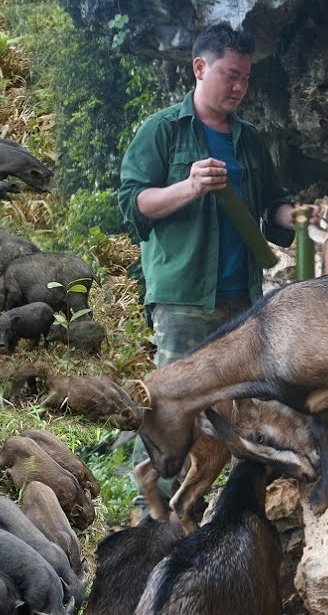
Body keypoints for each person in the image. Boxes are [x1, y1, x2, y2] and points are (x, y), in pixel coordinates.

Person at [118, 22, 301, 368]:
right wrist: (191, 187)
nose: (239, 87)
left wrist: (297, 216)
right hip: (183, 300)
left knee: (241, 410)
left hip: (243, 301)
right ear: (200, 68)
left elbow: (273, 202)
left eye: (246, 78)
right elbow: (133, 204)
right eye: (231, 75)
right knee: (177, 409)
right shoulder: (162, 130)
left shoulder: (249, 139)